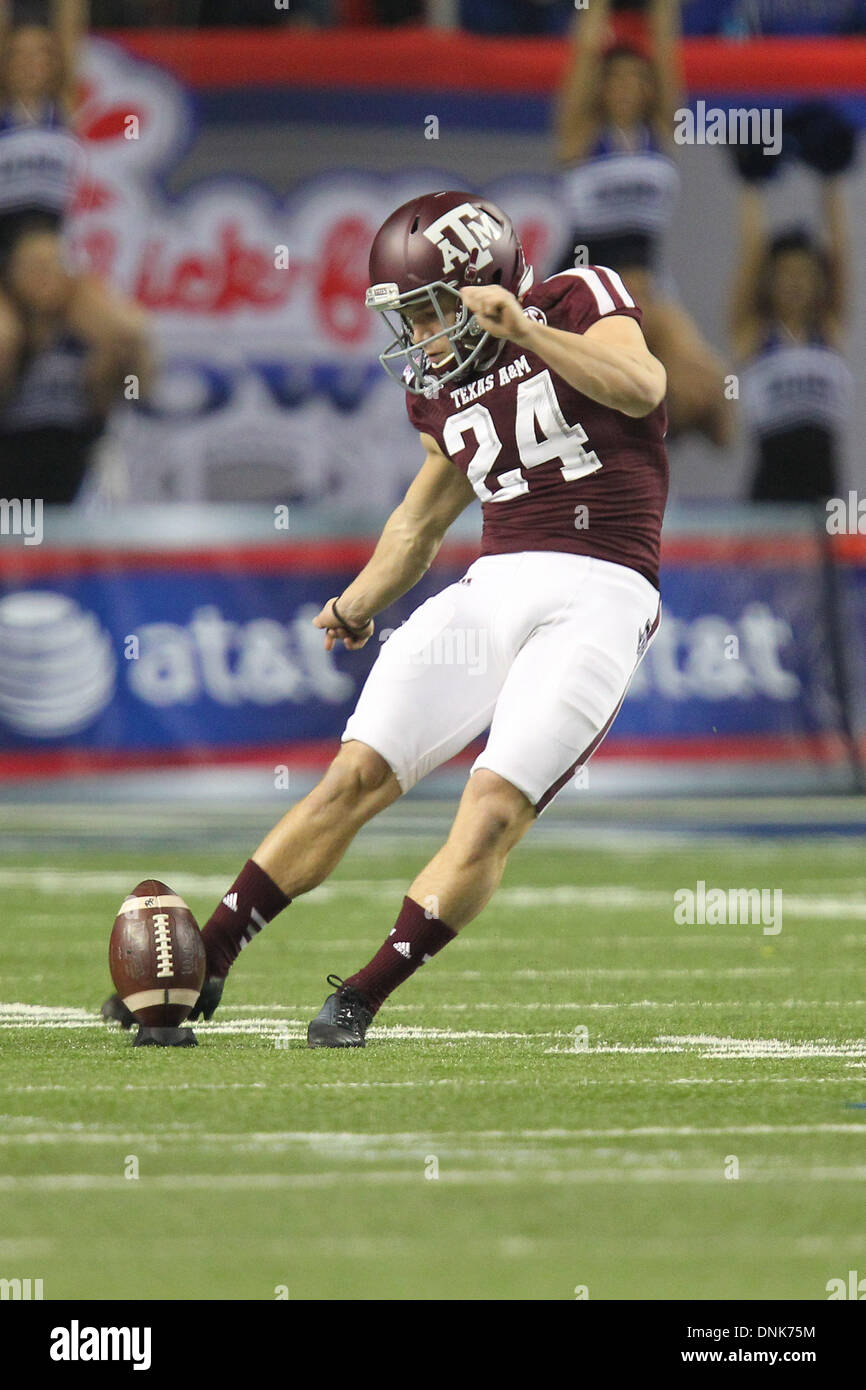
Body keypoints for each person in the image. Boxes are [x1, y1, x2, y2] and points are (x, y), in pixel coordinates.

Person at [103, 190, 668, 1048]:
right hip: (496, 582)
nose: (422, 333)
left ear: (482, 285)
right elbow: (421, 519)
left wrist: (526, 332)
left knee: (491, 810)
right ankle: (210, 957)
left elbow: (640, 387)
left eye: (431, 308)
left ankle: (361, 996)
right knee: (355, 776)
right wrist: (357, 602)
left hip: (604, 589)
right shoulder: (446, 389)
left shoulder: (575, 298)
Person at [555, 0, 731, 444]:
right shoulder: (581, 136)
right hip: (588, 280)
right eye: (616, 79)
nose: (627, 88)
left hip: (649, 282)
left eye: (638, 79)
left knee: (711, 390)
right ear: (601, 86)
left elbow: (667, 45)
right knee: (584, 393)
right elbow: (583, 51)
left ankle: (649, 442)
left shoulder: (661, 133)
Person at [0, 0, 152, 427]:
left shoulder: (60, 110)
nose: (32, 63)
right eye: (20, 54)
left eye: (42, 54)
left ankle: (89, 441)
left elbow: (69, 22)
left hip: (56, 266)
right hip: (5, 269)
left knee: (127, 335)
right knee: (3, 342)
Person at [730, 128, 854, 502]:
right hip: (770, 491)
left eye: (804, 275)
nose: (795, 284)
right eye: (785, 275)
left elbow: (839, 253)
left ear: (819, 283)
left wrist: (829, 176)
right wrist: (752, 183)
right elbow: (752, 255)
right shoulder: (753, 334)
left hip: (825, 492)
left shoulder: (828, 328)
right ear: (769, 283)